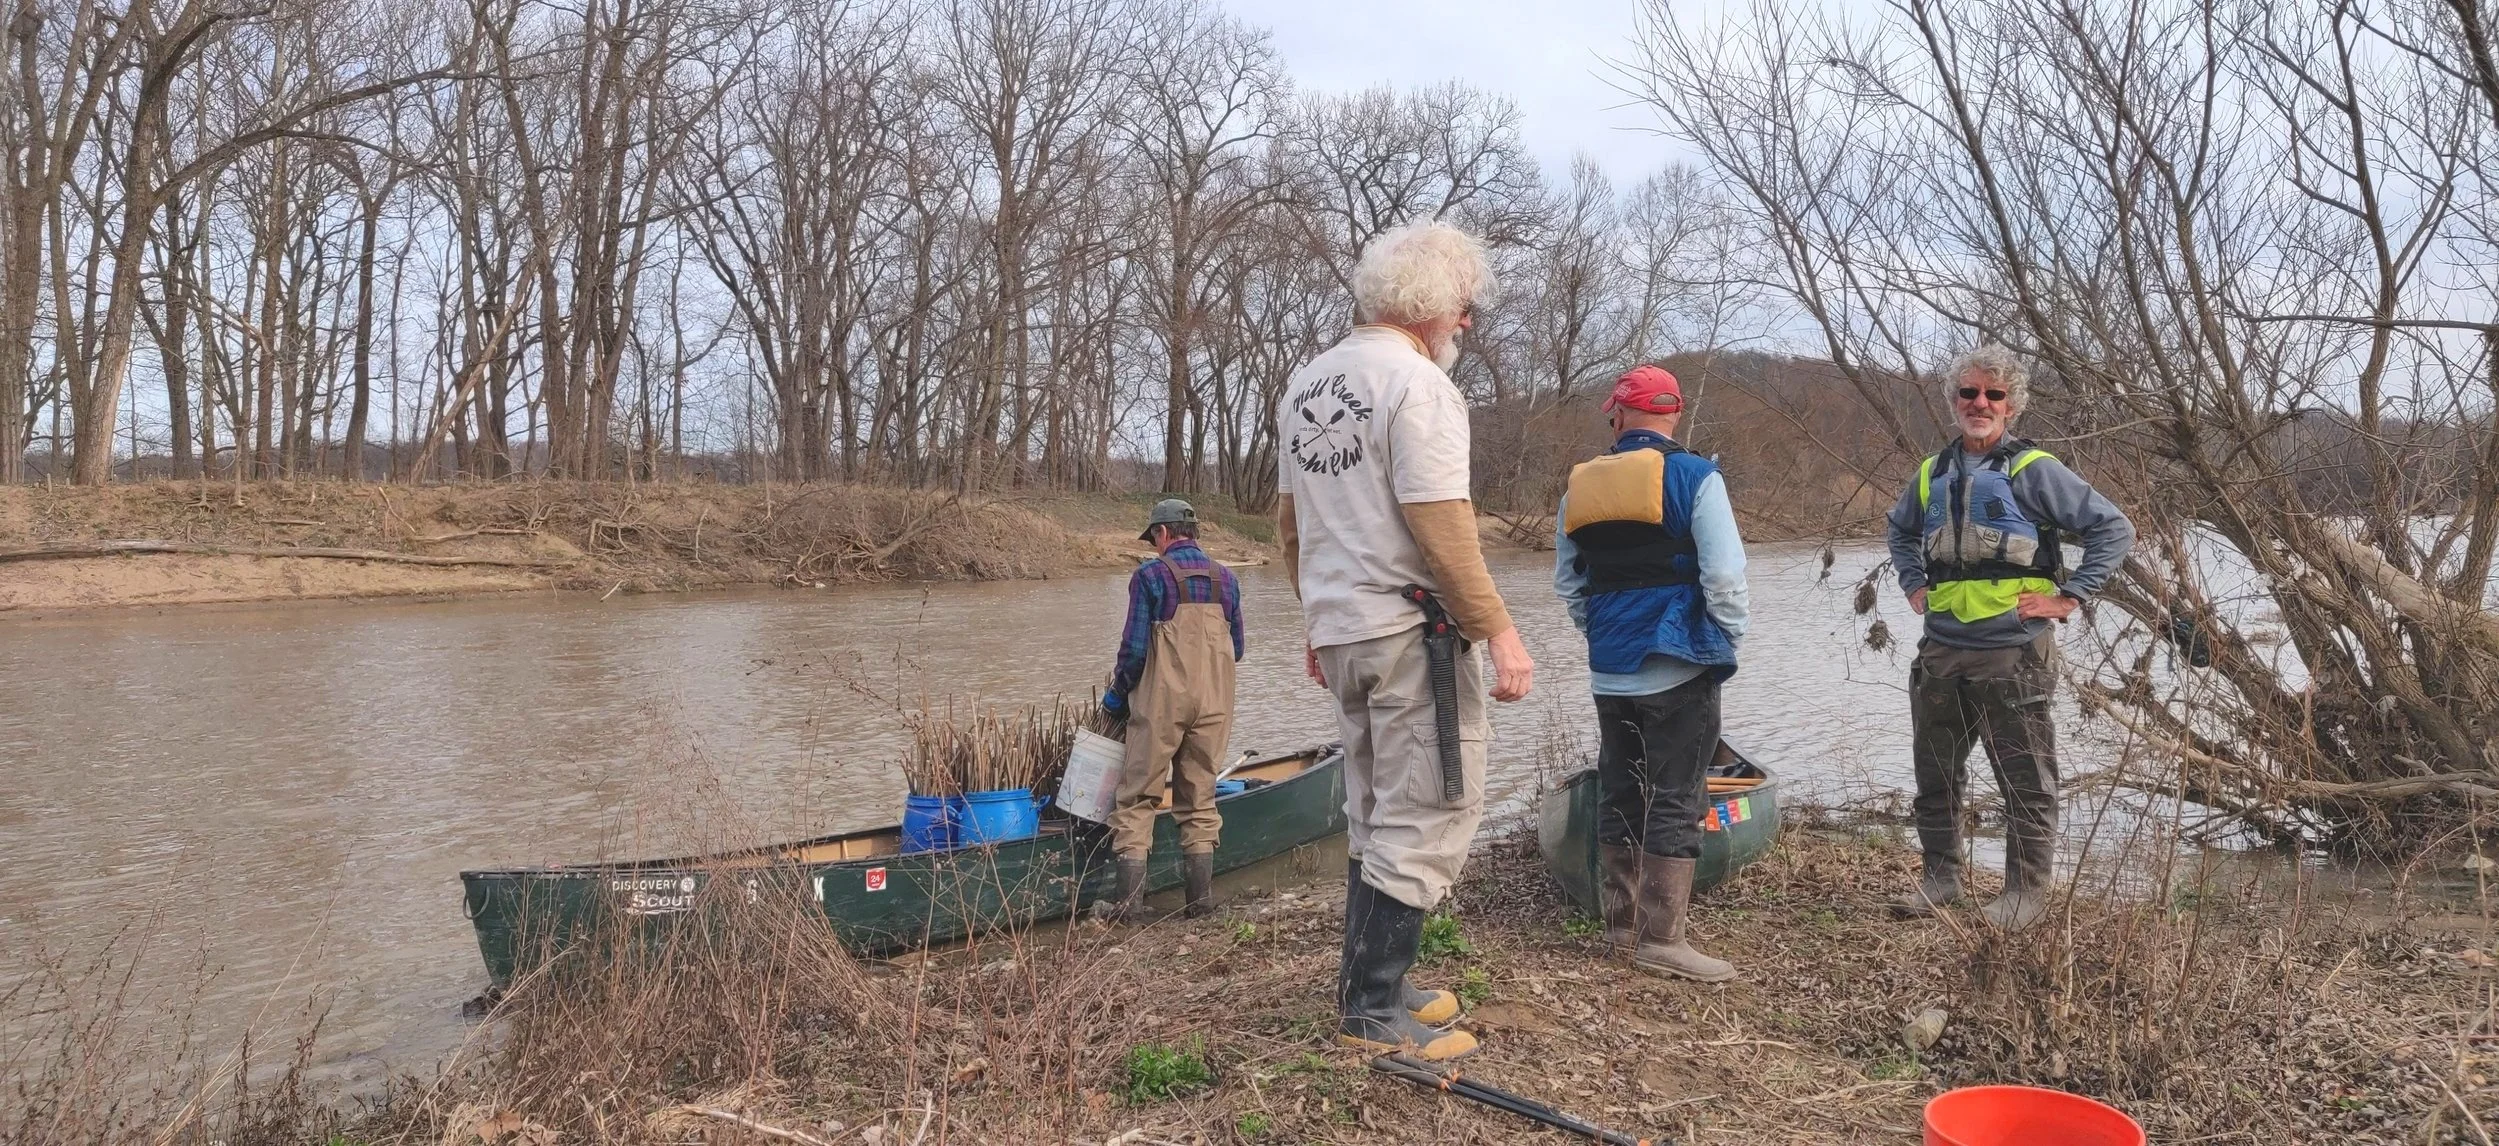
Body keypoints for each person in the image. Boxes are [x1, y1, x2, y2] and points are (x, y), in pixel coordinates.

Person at [1274, 220, 1533, 1062]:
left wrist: (1318, 621)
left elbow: (1290, 527)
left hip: (1344, 631)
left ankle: (1372, 986)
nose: (1465, 325)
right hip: (1407, 635)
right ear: (1433, 306)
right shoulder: (1417, 388)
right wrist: (1499, 631)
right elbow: (1441, 524)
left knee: (1373, 809)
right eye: (1464, 309)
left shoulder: (1306, 382)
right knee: (1429, 809)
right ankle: (1371, 1012)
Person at [1886, 345, 2134, 930]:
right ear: (1953, 401)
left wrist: (2070, 597)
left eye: (1994, 395)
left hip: (2013, 652)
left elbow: (2113, 529)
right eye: (1970, 393)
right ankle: (1940, 880)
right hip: (1943, 648)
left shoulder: (2033, 470)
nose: (1980, 403)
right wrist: (1913, 583)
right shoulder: (1932, 473)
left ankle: (2026, 894)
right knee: (1936, 772)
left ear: (2012, 407)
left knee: (2025, 776)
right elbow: (1899, 532)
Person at [1552, 364, 1748, 982]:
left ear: (1617, 414)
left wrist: (1602, 633)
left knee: (1620, 787)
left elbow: (1569, 583)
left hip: (1611, 670)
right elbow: (1724, 576)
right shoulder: (1696, 476)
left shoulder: (1578, 488)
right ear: (1674, 414)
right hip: (1679, 662)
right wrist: (1726, 633)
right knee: (1677, 793)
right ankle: (1663, 939)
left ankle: (1620, 929)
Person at [1093, 498, 1245, 923]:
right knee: (1199, 799)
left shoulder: (1149, 576)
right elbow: (1240, 648)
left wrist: (1119, 694)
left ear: (1162, 534)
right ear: (1193, 533)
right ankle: (1200, 904)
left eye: (1153, 539)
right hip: (1214, 703)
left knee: (1138, 797)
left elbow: (1135, 650)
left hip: (1161, 704)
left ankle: (1130, 908)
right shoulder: (1227, 579)